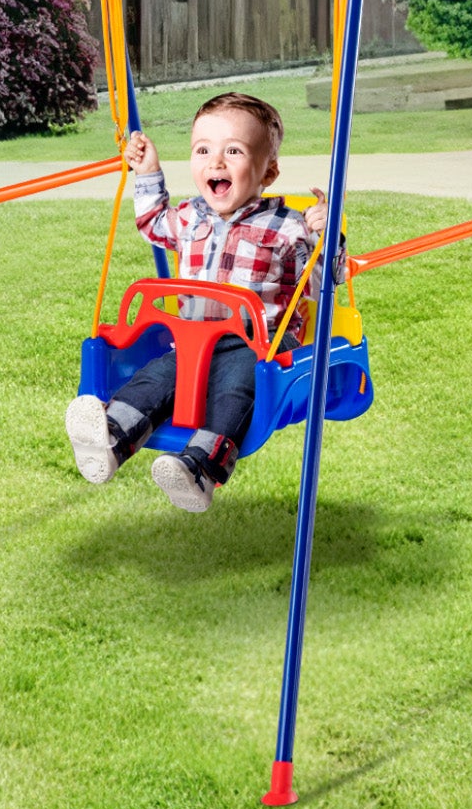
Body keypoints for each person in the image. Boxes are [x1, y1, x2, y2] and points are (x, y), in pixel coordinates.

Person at [65, 91, 328, 513]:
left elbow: (322, 283)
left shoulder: (287, 226)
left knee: (234, 392)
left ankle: (199, 471)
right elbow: (152, 222)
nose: (216, 162)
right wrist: (149, 171)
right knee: (155, 380)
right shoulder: (190, 216)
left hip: (254, 347)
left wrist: (324, 237)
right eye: (203, 150)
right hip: (190, 340)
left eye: (234, 151)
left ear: (269, 171)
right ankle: (111, 441)